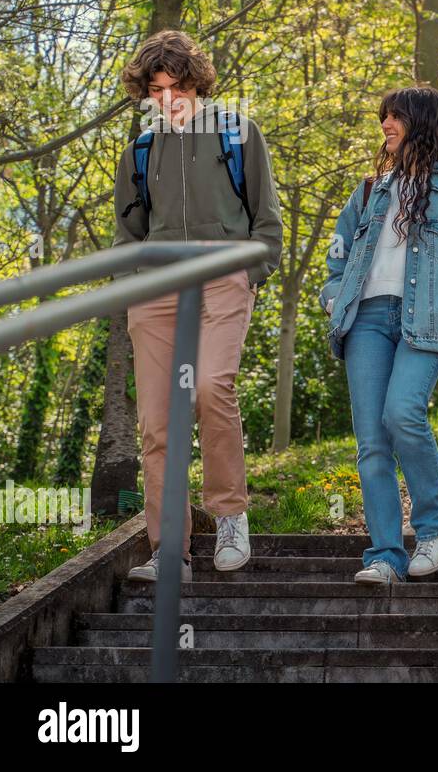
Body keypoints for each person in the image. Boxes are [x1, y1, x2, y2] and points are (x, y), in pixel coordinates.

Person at [117, 30, 283, 584]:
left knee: (212, 386)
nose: (167, 101)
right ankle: (171, 552)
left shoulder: (238, 134)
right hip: (157, 288)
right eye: (156, 91)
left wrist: (248, 272)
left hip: (222, 278)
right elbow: (128, 232)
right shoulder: (141, 147)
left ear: (196, 83)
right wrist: (132, 283)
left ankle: (231, 517)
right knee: (157, 421)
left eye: (176, 88)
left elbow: (267, 223)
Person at [320, 86, 438, 584]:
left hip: (425, 320)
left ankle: (436, 525)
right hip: (366, 320)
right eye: (384, 117)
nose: (386, 125)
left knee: (402, 412)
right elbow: (336, 260)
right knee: (372, 441)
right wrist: (336, 299)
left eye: (396, 116)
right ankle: (384, 555)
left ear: (423, 123)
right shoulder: (369, 190)